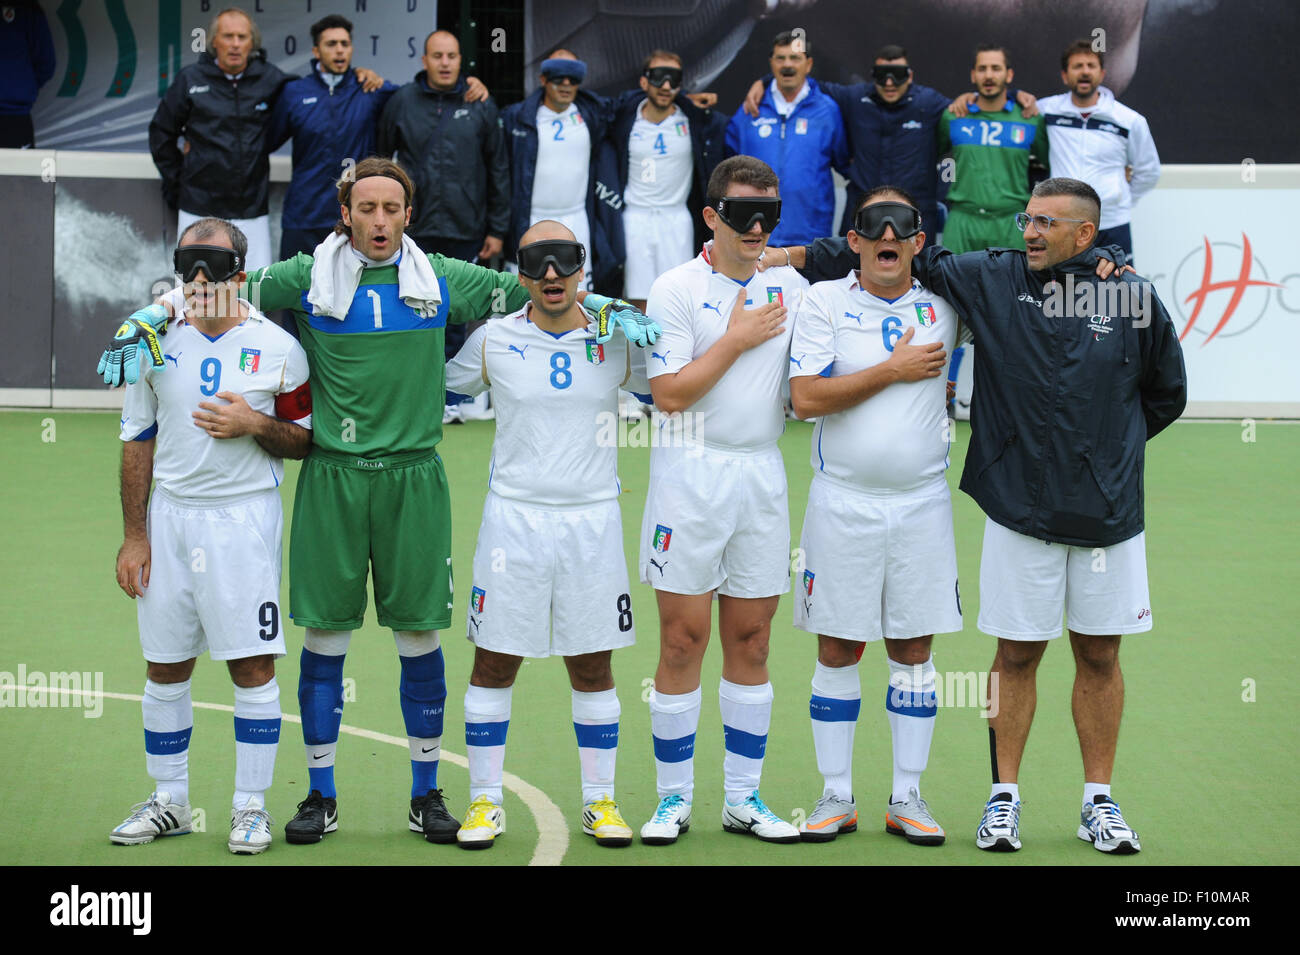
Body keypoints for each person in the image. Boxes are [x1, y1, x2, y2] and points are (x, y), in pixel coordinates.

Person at [96, 157, 658, 847]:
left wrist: (600, 302)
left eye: (392, 208)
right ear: (346, 213)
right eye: (367, 208)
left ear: (407, 215)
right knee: (324, 640)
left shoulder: (442, 278)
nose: (380, 220)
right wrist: (153, 310)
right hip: (332, 477)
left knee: (419, 637)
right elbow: (216, 286)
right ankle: (320, 793)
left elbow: (533, 291)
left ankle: (427, 794)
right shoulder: (306, 276)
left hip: (414, 478)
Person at [900, 178, 1185, 854]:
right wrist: (795, 257)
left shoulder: (1131, 297)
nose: (1028, 231)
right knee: (1017, 653)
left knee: (1099, 652)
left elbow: (1166, 392)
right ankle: (1004, 800)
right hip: (1018, 509)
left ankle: (1098, 802)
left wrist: (1104, 453)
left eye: (1045, 223)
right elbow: (900, 255)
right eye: (1027, 218)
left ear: (1085, 235)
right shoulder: (993, 279)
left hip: (1106, 516)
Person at [444, 222, 653, 849]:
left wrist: (652, 334)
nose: (553, 276)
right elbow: (433, 384)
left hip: (592, 523)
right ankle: (483, 803)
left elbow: (670, 389)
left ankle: (601, 803)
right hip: (514, 524)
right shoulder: (493, 340)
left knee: (592, 664)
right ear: (523, 273)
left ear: (583, 270)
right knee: (494, 661)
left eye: (565, 263)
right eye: (539, 264)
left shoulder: (617, 341)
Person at [110, 218, 312, 855]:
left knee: (251, 666)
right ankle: (170, 798)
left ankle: (249, 807)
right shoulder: (155, 341)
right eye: (188, 265)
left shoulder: (279, 346)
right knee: (165, 665)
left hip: (242, 520)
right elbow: (136, 439)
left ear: (240, 274)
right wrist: (134, 536)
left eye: (215, 267)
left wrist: (253, 422)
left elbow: (305, 439)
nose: (200, 279)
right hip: (168, 520)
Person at [638, 155, 807, 846]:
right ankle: (672, 797)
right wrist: (737, 338)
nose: (757, 227)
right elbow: (670, 392)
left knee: (753, 638)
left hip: (760, 475)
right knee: (683, 639)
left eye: (769, 214)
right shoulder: (673, 288)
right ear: (711, 217)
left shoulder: (793, 286)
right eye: (742, 214)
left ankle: (743, 798)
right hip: (689, 473)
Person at [786, 187, 963, 845]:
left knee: (915, 649)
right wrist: (893, 370)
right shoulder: (823, 301)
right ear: (853, 238)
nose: (887, 234)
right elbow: (805, 397)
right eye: (871, 224)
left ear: (920, 239)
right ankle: (835, 794)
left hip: (922, 505)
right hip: (842, 505)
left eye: (903, 225)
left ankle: (908, 795)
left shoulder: (948, 303)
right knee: (838, 644)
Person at [148, 7, 383, 271]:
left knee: (252, 292)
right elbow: (161, 133)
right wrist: (179, 183)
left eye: (242, 37)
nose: (235, 44)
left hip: (251, 209)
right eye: (228, 37)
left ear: (253, 43)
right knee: (196, 290)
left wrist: (357, 76)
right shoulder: (190, 80)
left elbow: (313, 88)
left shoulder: (270, 79)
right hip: (198, 206)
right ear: (214, 41)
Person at [742, 44, 1040, 238]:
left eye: (897, 75)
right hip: (862, 208)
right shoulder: (854, 97)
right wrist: (766, 82)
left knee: (920, 284)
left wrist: (1013, 96)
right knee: (853, 281)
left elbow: (985, 101)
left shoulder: (931, 103)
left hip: (915, 211)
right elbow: (803, 83)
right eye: (882, 75)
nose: (888, 83)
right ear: (872, 75)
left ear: (910, 76)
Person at [267, 14, 397, 260]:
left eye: (344, 44)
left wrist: (471, 85)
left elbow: (418, 101)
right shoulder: (294, 93)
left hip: (354, 217)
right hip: (304, 215)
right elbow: (264, 140)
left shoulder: (370, 89)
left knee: (350, 294)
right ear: (316, 51)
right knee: (297, 293)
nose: (339, 51)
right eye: (331, 44)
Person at [377, 31, 509, 268]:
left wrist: (497, 231)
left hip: (469, 230)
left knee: (465, 303)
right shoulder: (402, 101)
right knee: (415, 301)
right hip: (413, 228)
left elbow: (498, 169)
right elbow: (380, 164)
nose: (445, 63)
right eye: (437, 56)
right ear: (424, 60)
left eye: (451, 56)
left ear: (461, 60)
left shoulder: (480, 103)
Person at [612, 49, 728, 311]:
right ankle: (641, 352)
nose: (665, 86)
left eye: (673, 79)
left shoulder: (695, 120)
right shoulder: (624, 117)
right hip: (636, 219)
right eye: (658, 78)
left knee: (679, 297)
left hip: (676, 220)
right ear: (644, 82)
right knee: (638, 302)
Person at [500, 49, 624, 294]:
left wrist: (687, 101)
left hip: (577, 219)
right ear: (543, 79)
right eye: (558, 76)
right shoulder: (516, 118)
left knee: (577, 296)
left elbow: (638, 103)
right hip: (531, 220)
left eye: (573, 77)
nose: (566, 83)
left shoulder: (594, 114)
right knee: (524, 297)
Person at [1037, 39, 1160, 264]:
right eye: (1077, 66)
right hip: (1063, 223)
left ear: (1102, 74)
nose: (1084, 72)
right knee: (1060, 295)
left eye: (1090, 66)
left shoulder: (1129, 120)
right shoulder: (1046, 110)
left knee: (1115, 296)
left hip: (1111, 224)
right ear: (1065, 76)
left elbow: (1149, 171)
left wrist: (1118, 198)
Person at [724, 31, 849, 248]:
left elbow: (843, 159)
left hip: (810, 236)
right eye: (780, 58)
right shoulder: (750, 109)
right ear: (771, 63)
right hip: (755, 232)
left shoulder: (827, 110)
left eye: (795, 58)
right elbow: (728, 162)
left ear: (808, 64)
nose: (787, 65)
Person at [938, 45, 1049, 255]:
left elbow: (1049, 165)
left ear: (1009, 75)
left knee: (1011, 288)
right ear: (973, 75)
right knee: (952, 286)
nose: (989, 75)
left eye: (996, 68)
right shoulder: (953, 116)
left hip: (1011, 222)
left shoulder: (1030, 119)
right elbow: (931, 157)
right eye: (982, 69)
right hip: (962, 220)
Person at [0, 0, 55, 148]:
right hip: (16, 115)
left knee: (16, 170)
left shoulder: (28, 9)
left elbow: (46, 64)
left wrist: (20, 88)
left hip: (15, 119)